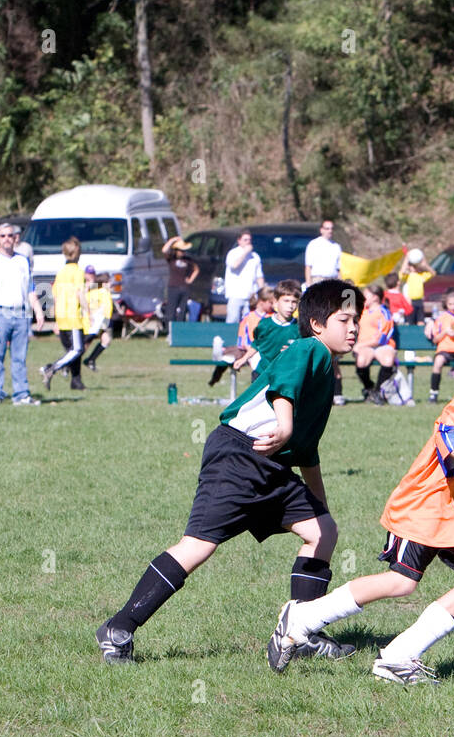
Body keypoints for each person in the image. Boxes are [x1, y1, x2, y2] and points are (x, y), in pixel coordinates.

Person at [265, 294, 454, 684]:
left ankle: (399, 656)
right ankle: (303, 616)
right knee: (401, 582)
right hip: (431, 495)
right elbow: (447, 434)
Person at [94, 279, 360, 665]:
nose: (354, 328)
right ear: (317, 324)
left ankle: (301, 631)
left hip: (271, 465)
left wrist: (320, 503)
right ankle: (118, 629)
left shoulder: (326, 367)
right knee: (198, 545)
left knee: (323, 532)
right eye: (345, 319)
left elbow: (306, 448)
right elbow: (282, 386)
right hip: (238, 455)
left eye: (357, 320)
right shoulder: (309, 349)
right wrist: (284, 425)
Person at [0, 222, 43, 405]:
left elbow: (30, 288)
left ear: (15, 238)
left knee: (19, 358)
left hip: (21, 314)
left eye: (10, 235)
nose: (7, 239)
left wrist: (38, 310)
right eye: (3, 236)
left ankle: (21, 394)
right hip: (0, 313)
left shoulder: (23, 260)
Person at [41, 237, 90, 392]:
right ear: (77, 253)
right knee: (77, 349)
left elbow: (53, 295)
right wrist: (88, 310)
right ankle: (51, 368)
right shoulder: (77, 271)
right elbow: (79, 292)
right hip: (73, 316)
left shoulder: (61, 272)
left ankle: (76, 382)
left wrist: (54, 317)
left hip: (62, 316)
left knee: (72, 350)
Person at [210, 287, 274, 388]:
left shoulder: (273, 317)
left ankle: (260, 387)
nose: (273, 305)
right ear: (262, 302)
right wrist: (250, 349)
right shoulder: (248, 317)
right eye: (271, 302)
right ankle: (214, 378)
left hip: (264, 351)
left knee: (258, 361)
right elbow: (242, 339)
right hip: (248, 350)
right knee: (231, 356)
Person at [353, 285, 397, 404]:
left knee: (388, 360)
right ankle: (369, 388)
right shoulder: (362, 311)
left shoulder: (384, 312)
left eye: (365, 295)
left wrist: (360, 345)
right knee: (361, 361)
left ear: (375, 298)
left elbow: (382, 339)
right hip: (366, 347)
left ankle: (377, 391)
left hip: (382, 346)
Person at [223, 231, 265, 324]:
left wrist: (262, 292)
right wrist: (245, 252)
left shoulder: (255, 256)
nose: (248, 242)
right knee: (233, 320)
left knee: (249, 321)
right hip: (235, 294)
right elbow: (234, 265)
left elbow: (259, 276)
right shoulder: (233, 253)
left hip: (250, 295)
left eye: (249, 240)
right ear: (239, 241)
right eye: (245, 240)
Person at [82, 268, 114, 372]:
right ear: (104, 283)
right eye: (109, 282)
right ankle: (68, 364)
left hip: (104, 321)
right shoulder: (99, 292)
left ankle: (90, 360)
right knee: (84, 345)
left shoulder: (104, 292)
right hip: (95, 322)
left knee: (106, 340)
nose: (111, 285)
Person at [163, 236, 199, 324]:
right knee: (171, 310)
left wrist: (190, 280)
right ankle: (170, 331)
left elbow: (196, 269)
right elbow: (164, 250)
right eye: (180, 250)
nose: (182, 252)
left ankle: (180, 330)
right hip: (173, 287)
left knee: (182, 311)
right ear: (176, 250)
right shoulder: (171, 258)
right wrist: (172, 240)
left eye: (183, 250)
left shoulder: (188, 260)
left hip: (184, 288)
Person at [399, 247, 435, 324]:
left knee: (420, 322)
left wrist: (425, 264)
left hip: (419, 301)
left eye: (415, 266)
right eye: (412, 266)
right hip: (410, 302)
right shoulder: (408, 276)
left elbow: (433, 273)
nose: (414, 268)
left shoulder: (421, 275)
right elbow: (401, 274)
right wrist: (406, 259)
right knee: (410, 322)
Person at [304, 219, 342, 288]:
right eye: (327, 229)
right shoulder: (313, 244)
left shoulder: (336, 246)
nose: (330, 231)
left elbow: (338, 268)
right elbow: (308, 266)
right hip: (318, 280)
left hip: (333, 280)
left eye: (331, 229)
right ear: (321, 230)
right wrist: (308, 283)